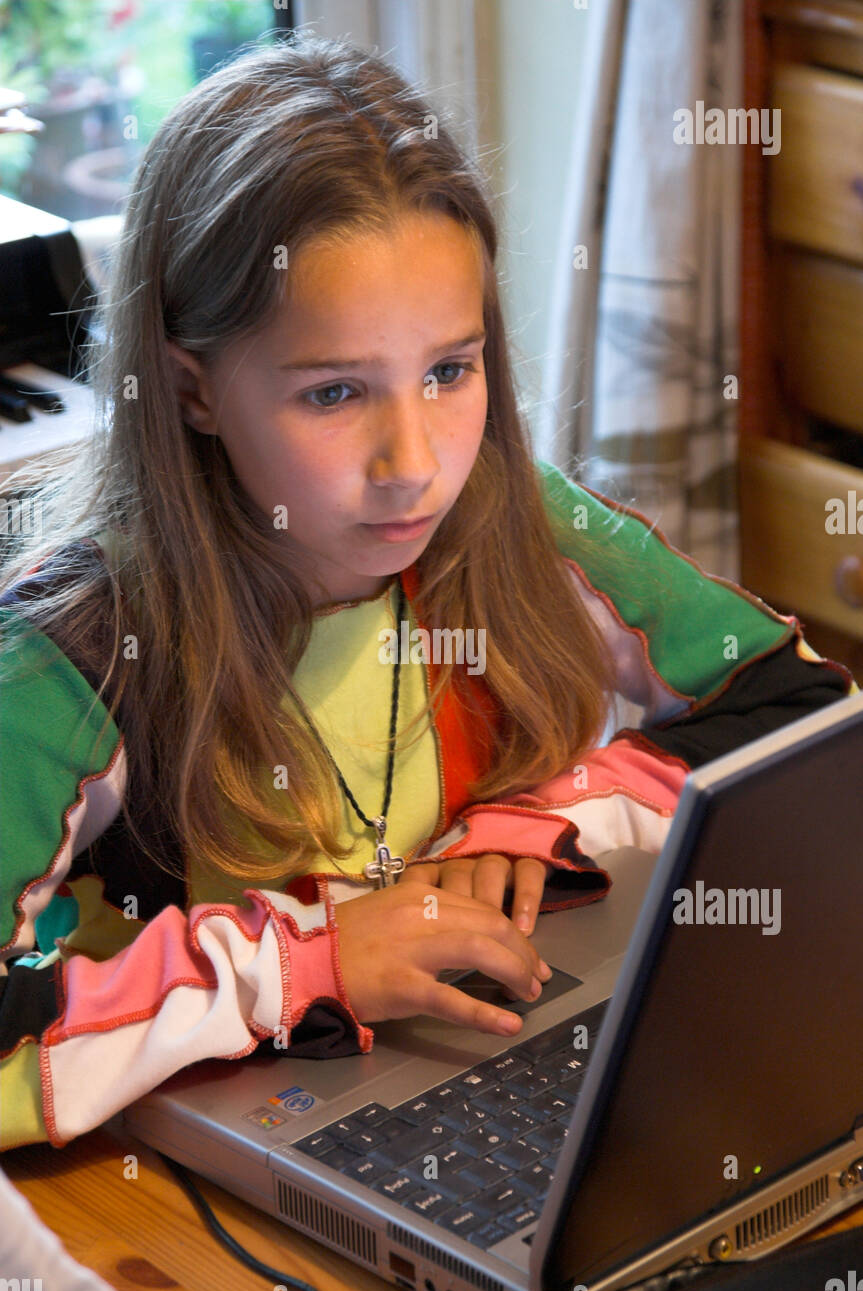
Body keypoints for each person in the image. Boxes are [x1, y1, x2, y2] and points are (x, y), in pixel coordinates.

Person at [0, 34, 856, 1155]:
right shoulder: (69, 654)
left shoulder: (522, 522)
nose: (412, 461)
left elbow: (804, 719)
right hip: (186, 1165)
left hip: (476, 1080)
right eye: (336, 390)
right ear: (191, 390)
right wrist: (306, 964)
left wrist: (541, 820)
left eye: (448, 371)